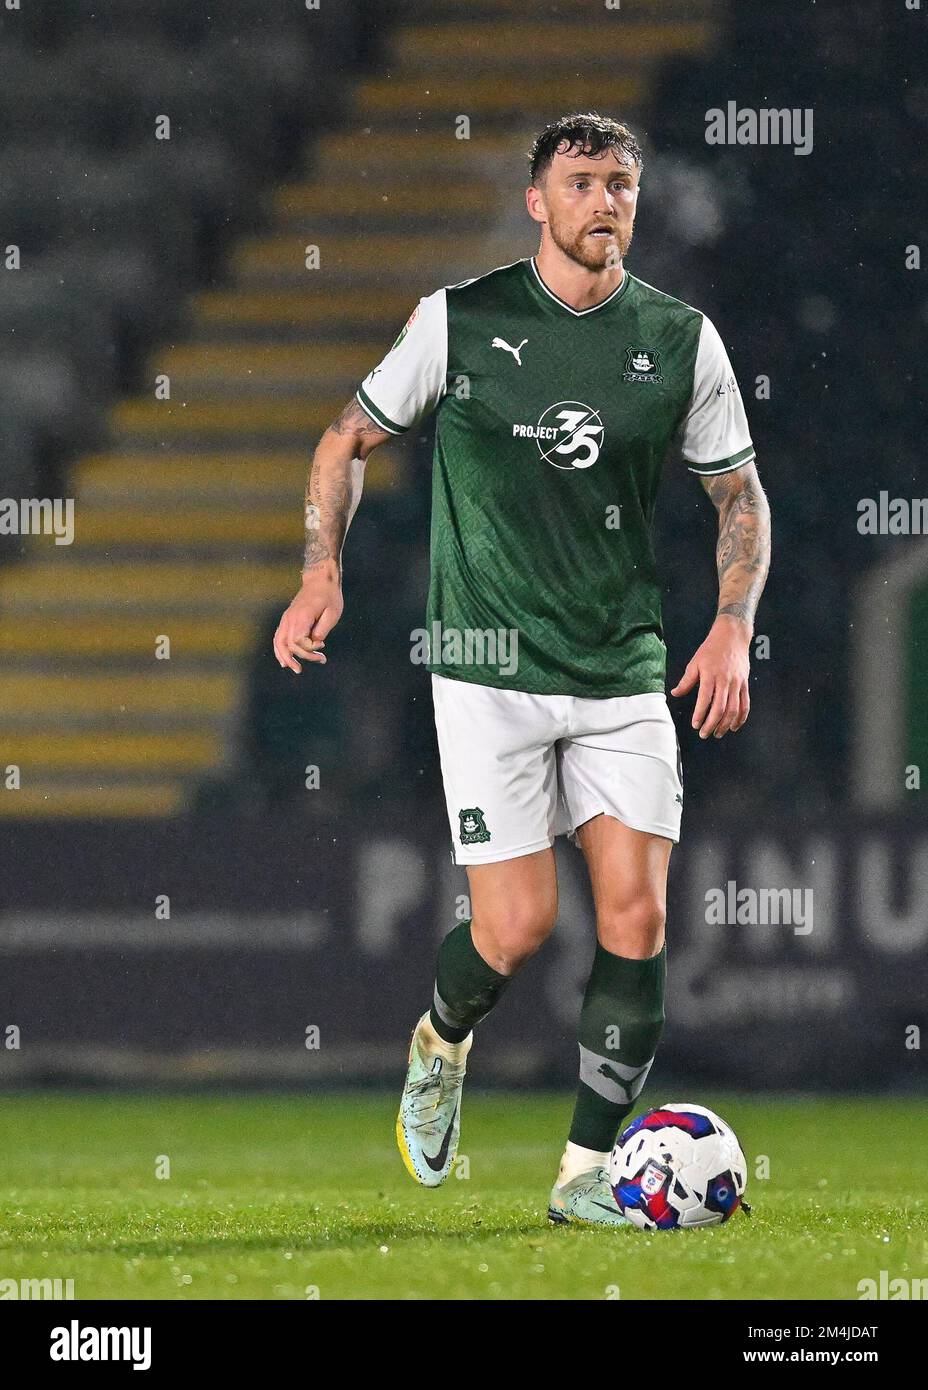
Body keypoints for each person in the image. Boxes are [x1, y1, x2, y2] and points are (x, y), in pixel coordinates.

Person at [273, 112, 771, 1225]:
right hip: (485, 665)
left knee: (636, 919)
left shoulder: (680, 338)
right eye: (583, 182)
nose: (606, 202)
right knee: (515, 927)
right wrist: (321, 572)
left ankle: (582, 1175)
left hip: (620, 667)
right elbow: (344, 440)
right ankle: (441, 1040)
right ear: (537, 201)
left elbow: (736, 495)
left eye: (623, 185)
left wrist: (732, 621)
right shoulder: (459, 321)